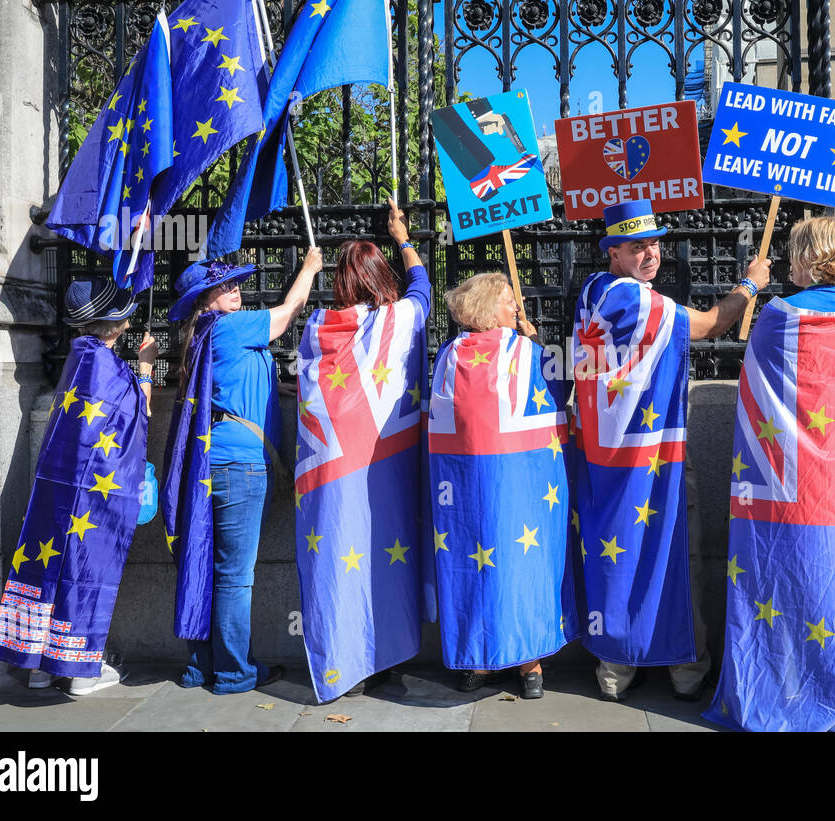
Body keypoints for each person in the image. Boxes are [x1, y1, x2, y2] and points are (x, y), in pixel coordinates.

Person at [702, 216, 835, 731]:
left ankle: (772, 687)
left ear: (803, 259)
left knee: (779, 594)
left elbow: (757, 391)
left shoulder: (774, 318)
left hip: (782, 494)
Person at [571, 199, 770, 703]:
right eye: (637, 246)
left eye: (654, 243)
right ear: (612, 252)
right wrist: (749, 285)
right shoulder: (636, 301)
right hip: (651, 452)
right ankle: (685, 666)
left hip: (604, 453)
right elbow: (708, 325)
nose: (651, 253)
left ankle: (616, 665)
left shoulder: (593, 292)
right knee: (676, 552)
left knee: (613, 555)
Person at [163, 244, 323, 694]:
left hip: (214, 463)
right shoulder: (231, 327)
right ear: (204, 299)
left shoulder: (201, 336)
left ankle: (202, 666)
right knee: (235, 575)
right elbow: (289, 311)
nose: (233, 289)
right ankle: (234, 672)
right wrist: (309, 268)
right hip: (239, 466)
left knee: (208, 567)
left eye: (234, 282)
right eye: (222, 286)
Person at [0, 279, 156, 696]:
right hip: (94, 496)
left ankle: (40, 666)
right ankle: (81, 669)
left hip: (55, 491)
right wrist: (147, 369)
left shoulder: (79, 356)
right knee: (86, 569)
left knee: (48, 566)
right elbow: (141, 413)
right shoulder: (109, 367)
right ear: (115, 324)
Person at [295, 197, 431, 704]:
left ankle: (343, 661)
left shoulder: (318, 328)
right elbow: (424, 291)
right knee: (383, 553)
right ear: (379, 278)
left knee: (336, 554)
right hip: (385, 461)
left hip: (331, 467)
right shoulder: (396, 321)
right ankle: (385, 656)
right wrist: (404, 239)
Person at [428, 272, 578, 699]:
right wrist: (536, 343)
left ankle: (476, 660)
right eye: (509, 301)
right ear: (486, 309)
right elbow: (562, 388)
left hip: (463, 489)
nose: (517, 307)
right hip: (521, 487)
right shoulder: (527, 353)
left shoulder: (449, 355)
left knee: (472, 565)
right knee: (525, 566)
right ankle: (531, 666)